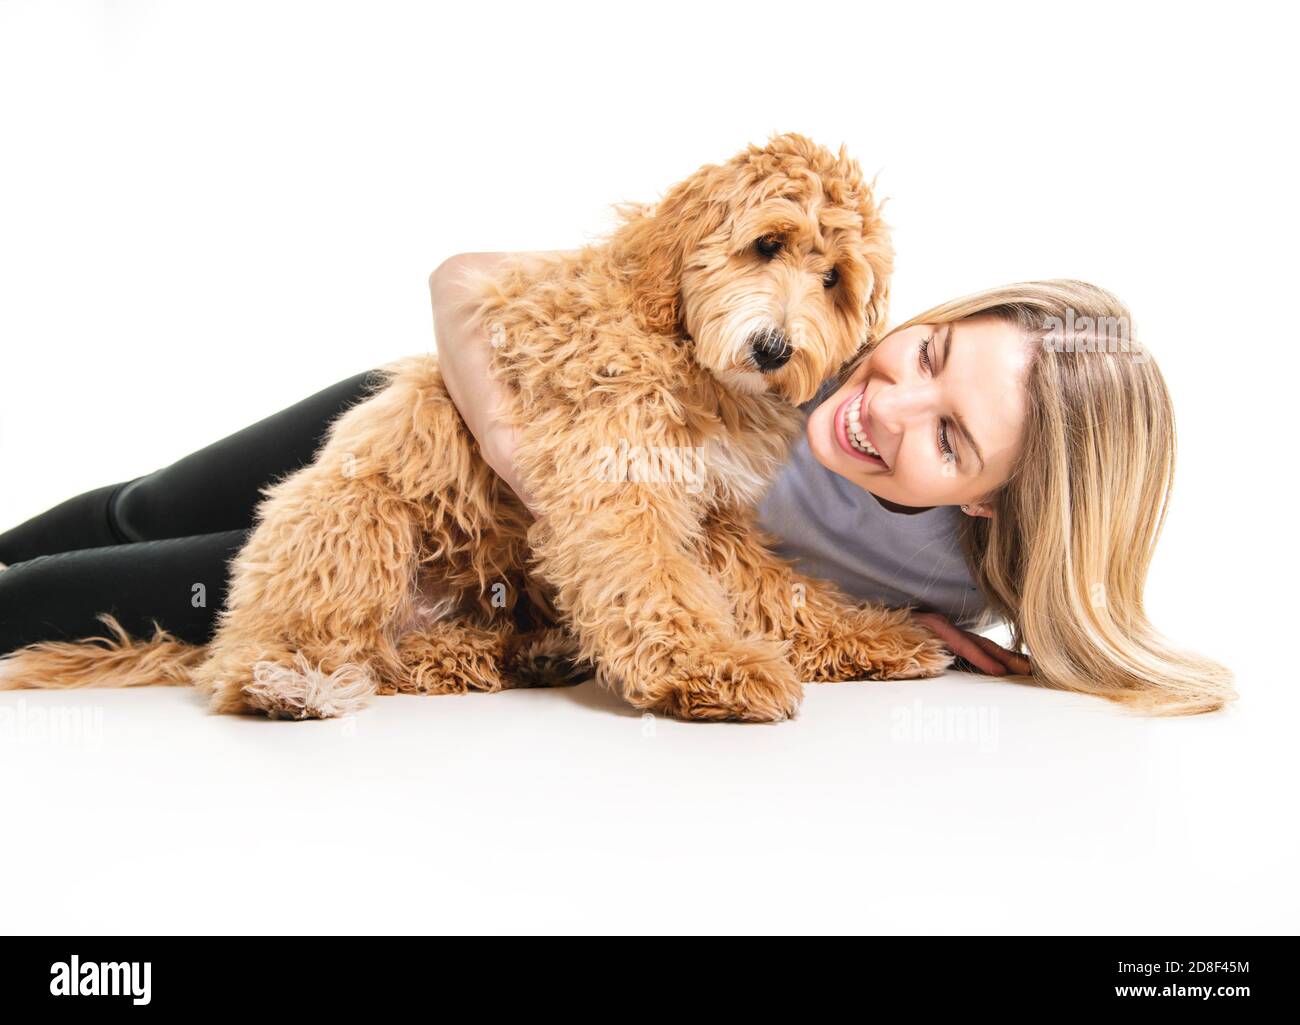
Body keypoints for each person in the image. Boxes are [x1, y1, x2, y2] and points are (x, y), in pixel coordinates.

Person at [0, 254, 1234, 713]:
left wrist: (921, 641)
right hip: (406, 433)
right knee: (144, 504)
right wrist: (528, 462)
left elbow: (1024, 620)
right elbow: (466, 278)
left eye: (949, 439)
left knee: (98, 594)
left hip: (422, 561)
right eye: (928, 351)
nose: (884, 400)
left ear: (986, 508)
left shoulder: (945, 580)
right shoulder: (802, 317)